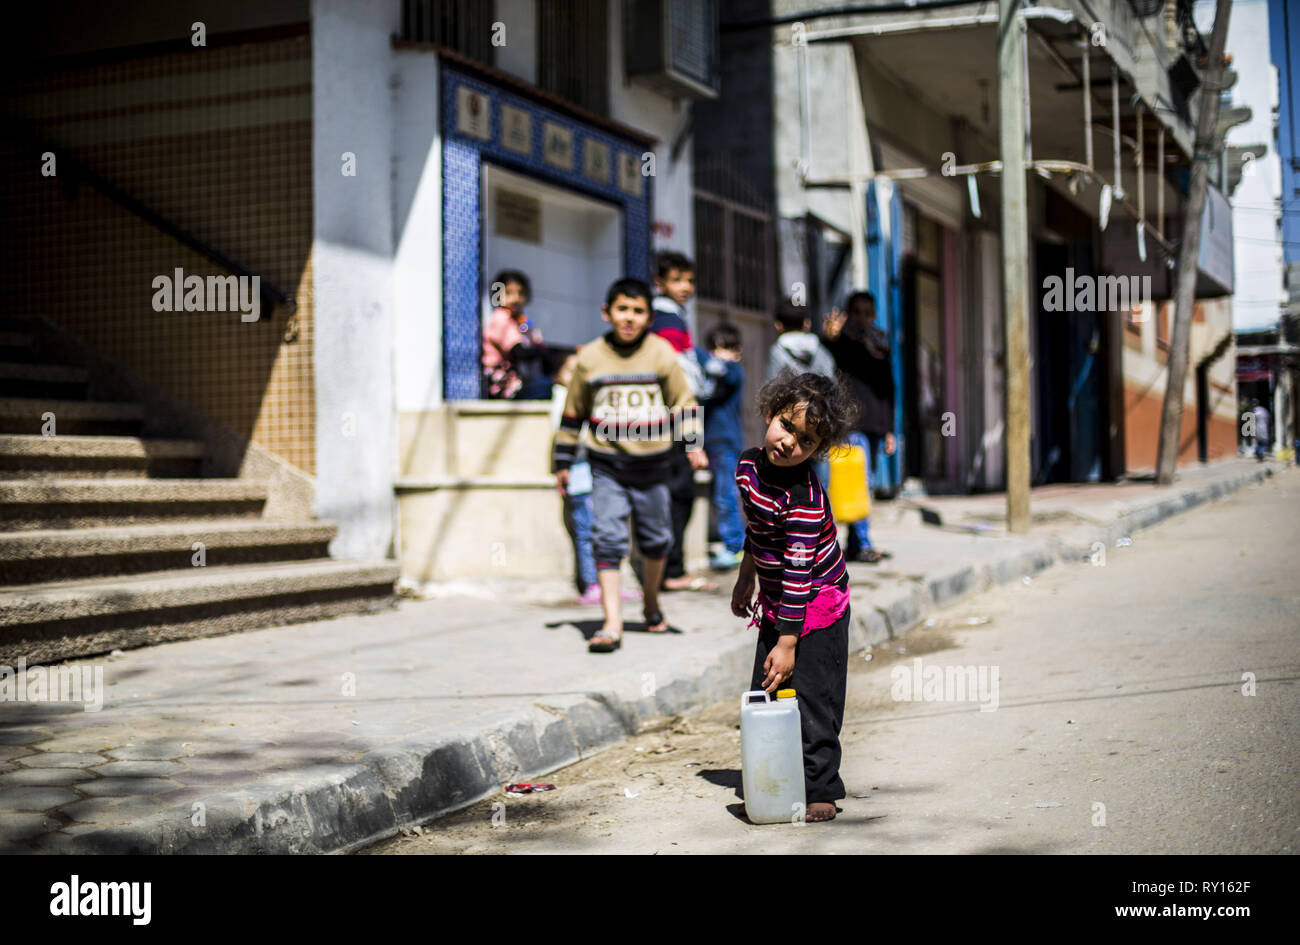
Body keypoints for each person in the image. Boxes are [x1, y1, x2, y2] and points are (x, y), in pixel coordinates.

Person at [553, 277, 707, 652]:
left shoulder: (661, 354)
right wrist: (562, 462)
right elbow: (572, 415)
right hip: (607, 465)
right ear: (607, 313)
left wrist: (692, 446)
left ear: (648, 317)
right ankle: (611, 623)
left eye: (638, 311)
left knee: (657, 540)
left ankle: (651, 602)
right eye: (623, 309)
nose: (630, 318)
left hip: (654, 467)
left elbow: (683, 403)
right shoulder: (589, 359)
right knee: (607, 539)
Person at [731, 369, 858, 822]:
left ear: (817, 452)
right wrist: (746, 578)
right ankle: (772, 780)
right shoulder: (747, 467)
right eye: (786, 424)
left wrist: (788, 643)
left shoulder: (804, 496)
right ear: (770, 413)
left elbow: (801, 573)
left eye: (805, 441)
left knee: (812, 700)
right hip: (777, 599)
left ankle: (821, 786)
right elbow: (758, 531)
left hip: (817, 603)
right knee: (766, 692)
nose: (789, 442)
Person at [652, 250, 716, 591]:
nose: (685, 287)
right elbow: (676, 379)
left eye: (689, 280)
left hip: (675, 416)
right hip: (675, 417)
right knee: (680, 492)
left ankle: (669, 568)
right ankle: (672, 571)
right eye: (677, 280)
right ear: (659, 282)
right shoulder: (665, 321)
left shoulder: (673, 317)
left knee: (678, 492)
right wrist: (692, 438)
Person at [822, 290, 896, 563]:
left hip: (876, 424)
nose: (863, 318)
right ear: (848, 314)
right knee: (858, 484)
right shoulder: (841, 343)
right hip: (851, 425)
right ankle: (862, 543)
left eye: (868, 313)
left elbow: (889, 389)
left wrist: (889, 429)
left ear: (874, 315)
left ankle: (854, 543)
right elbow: (829, 356)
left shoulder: (881, 344)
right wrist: (832, 337)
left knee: (868, 482)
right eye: (857, 313)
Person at [766, 302, 838, 490]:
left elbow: (772, 390)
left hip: (790, 428)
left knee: (788, 483)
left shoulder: (777, 352)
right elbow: (833, 389)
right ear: (806, 324)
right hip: (818, 426)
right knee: (819, 483)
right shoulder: (822, 352)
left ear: (778, 325)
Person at [700, 324, 746, 570]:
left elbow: (716, 367)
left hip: (726, 443)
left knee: (726, 495)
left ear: (737, 352)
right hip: (711, 443)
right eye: (715, 349)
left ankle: (735, 546)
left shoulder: (733, 371)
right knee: (719, 495)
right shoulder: (710, 376)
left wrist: (694, 354)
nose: (719, 354)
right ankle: (729, 541)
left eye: (725, 349)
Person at [482, 269, 549, 400]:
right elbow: (519, 352)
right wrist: (541, 352)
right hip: (500, 382)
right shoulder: (501, 318)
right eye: (508, 293)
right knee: (547, 386)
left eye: (521, 293)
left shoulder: (517, 320)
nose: (515, 299)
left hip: (511, 379)